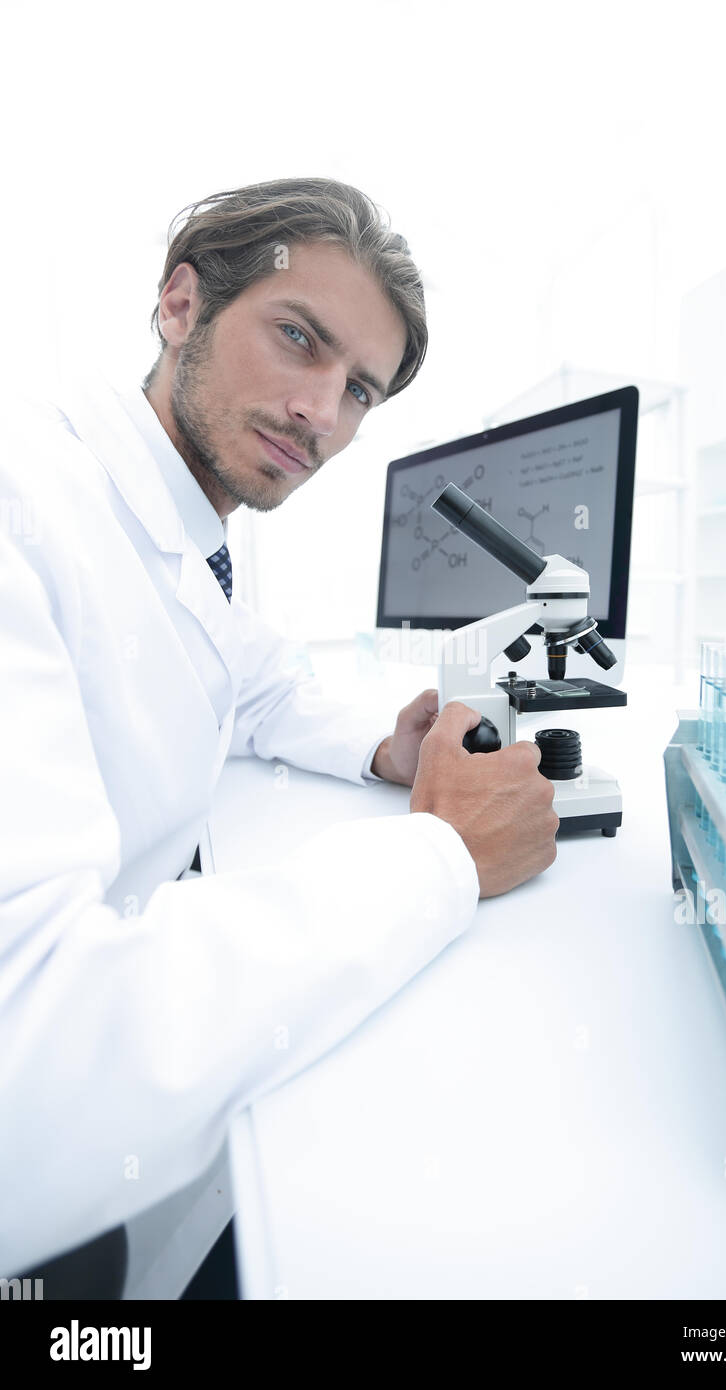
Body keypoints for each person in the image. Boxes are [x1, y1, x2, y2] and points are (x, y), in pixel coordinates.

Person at [0, 178, 558, 1295]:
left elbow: (252, 682)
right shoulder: (28, 498)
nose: (321, 412)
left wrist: (386, 748)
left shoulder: (177, 519)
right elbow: (31, 1064)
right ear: (179, 303)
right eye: (298, 339)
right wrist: (441, 855)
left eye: (357, 390)